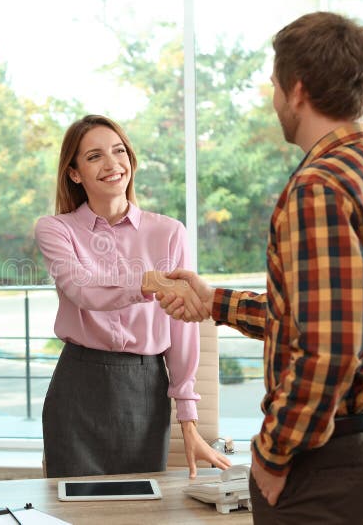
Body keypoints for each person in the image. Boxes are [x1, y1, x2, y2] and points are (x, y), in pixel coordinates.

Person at [158, 12, 363, 523]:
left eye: (276, 85)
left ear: (297, 90)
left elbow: (328, 347)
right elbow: (329, 318)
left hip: (330, 458)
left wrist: (275, 453)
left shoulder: (319, 187)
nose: (274, 98)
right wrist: (215, 302)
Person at [35, 114, 232, 479]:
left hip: (145, 386)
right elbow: (81, 288)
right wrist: (148, 282)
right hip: (78, 385)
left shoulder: (169, 233)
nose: (112, 163)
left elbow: (182, 330)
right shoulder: (56, 229)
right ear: (74, 173)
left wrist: (189, 421)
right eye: (94, 156)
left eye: (119, 151)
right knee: (73, 504)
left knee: (142, 504)